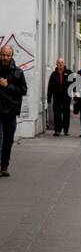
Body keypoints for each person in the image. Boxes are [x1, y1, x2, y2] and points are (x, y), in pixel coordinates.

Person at [0, 45, 28, 176]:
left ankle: (4, 166)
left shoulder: (18, 72)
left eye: (7, 55)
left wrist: (8, 86)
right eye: (3, 55)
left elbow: (23, 90)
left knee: (8, 140)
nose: (5, 58)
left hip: (10, 111)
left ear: (11, 56)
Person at [46, 57, 73, 136]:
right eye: (58, 63)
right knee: (57, 114)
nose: (60, 64)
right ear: (56, 64)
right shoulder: (54, 74)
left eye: (61, 62)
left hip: (66, 97)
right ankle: (57, 130)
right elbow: (50, 87)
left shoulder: (68, 72)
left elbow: (73, 84)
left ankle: (66, 130)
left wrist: (74, 94)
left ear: (64, 64)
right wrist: (49, 97)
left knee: (66, 114)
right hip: (57, 97)